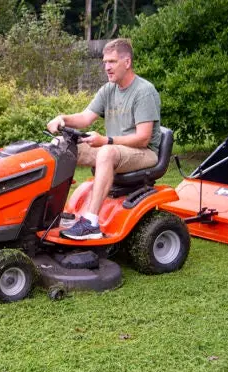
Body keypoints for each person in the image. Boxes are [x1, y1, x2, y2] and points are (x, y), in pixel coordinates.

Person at [47, 38, 161, 240]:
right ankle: (49, 211)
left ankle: (90, 223)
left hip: (144, 153)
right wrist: (63, 118)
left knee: (107, 152)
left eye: (112, 62)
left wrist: (106, 141)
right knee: (61, 147)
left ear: (127, 63)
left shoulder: (144, 92)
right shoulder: (108, 89)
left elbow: (143, 139)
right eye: (105, 62)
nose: (107, 67)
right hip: (116, 148)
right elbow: (84, 118)